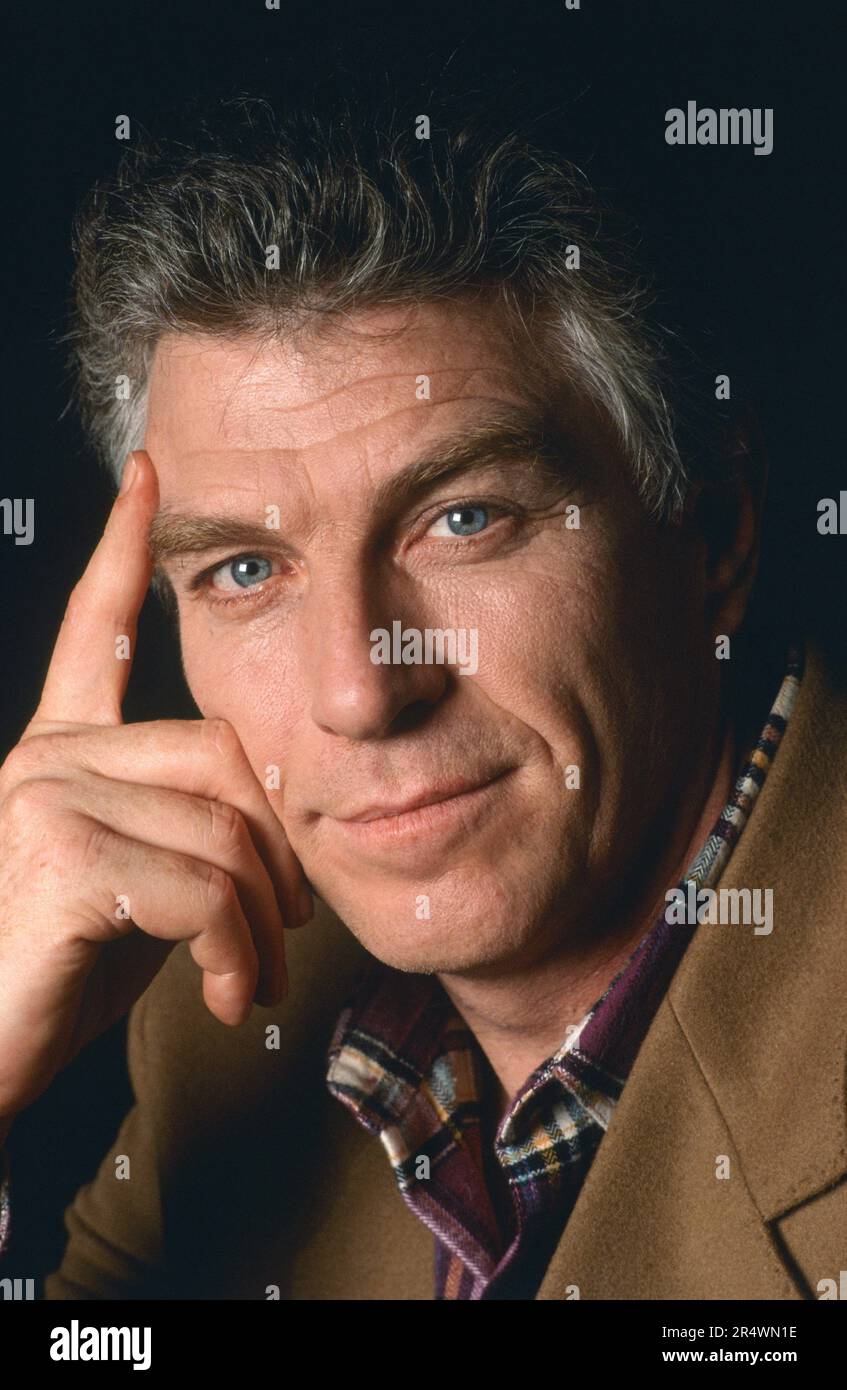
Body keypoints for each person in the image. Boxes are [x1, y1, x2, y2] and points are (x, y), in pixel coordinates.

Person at [0, 89, 844, 1301]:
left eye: (465, 518)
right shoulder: (221, 1026)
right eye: (245, 568)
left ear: (711, 531)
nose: (359, 689)